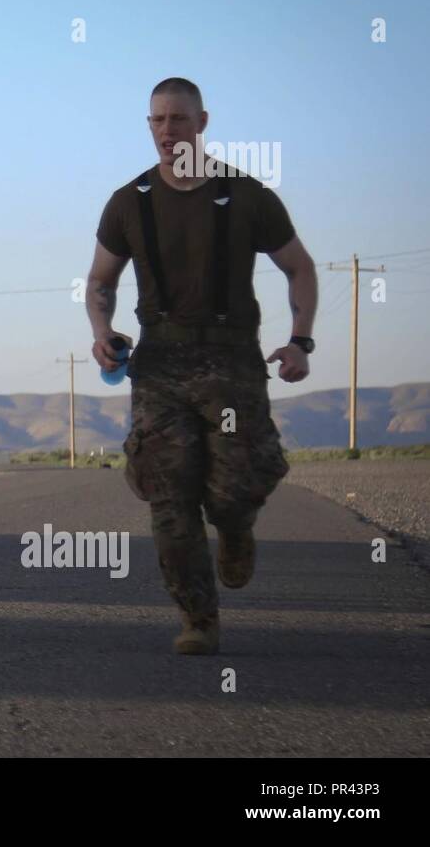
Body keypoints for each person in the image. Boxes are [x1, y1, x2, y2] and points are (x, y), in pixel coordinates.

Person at [86, 78, 317, 654]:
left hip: (232, 363)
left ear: (202, 121)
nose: (168, 131)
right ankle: (198, 618)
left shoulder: (247, 196)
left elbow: (300, 268)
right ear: (149, 126)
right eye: (158, 120)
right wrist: (101, 333)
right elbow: (99, 282)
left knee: (232, 492)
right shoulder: (128, 201)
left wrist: (300, 341)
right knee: (169, 497)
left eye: (179, 119)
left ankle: (236, 530)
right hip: (159, 365)